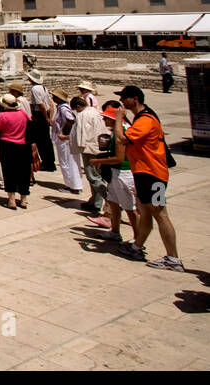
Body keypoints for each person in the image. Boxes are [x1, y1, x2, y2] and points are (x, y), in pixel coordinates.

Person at [112, 86, 183, 272]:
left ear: (135, 99)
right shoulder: (141, 118)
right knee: (145, 212)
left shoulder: (145, 120)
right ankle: (137, 246)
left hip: (153, 174)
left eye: (124, 98)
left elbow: (121, 139)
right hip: (143, 173)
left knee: (160, 214)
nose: (121, 101)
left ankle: (173, 258)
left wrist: (118, 119)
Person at [91, 105, 138, 242]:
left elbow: (119, 158)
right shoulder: (115, 132)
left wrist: (98, 161)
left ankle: (137, 238)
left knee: (130, 208)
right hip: (115, 173)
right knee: (113, 202)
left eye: (106, 118)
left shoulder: (121, 132)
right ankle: (115, 231)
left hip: (123, 173)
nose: (103, 120)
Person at [0, 93, 31, 209]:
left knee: (9, 172)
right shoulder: (22, 113)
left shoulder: (2, 116)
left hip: (7, 145)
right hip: (22, 145)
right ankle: (23, 199)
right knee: (23, 172)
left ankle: (12, 200)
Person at [69, 96, 109, 219]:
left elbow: (82, 133)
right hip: (100, 146)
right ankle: (95, 202)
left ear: (78, 106)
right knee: (97, 175)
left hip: (89, 148)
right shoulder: (95, 111)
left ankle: (110, 200)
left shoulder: (83, 115)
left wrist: (79, 147)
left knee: (93, 176)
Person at [50, 88, 82, 194]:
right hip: (65, 140)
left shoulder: (63, 109)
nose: (53, 98)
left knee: (66, 162)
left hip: (64, 141)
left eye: (55, 97)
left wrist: (64, 133)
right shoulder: (62, 107)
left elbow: (71, 120)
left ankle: (71, 185)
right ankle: (74, 184)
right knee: (69, 161)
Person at [26, 70, 56, 172]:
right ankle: (50, 162)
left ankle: (47, 163)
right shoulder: (43, 87)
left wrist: (46, 118)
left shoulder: (34, 89)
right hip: (45, 114)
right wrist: (49, 117)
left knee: (41, 140)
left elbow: (40, 105)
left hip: (40, 115)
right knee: (46, 140)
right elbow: (50, 104)